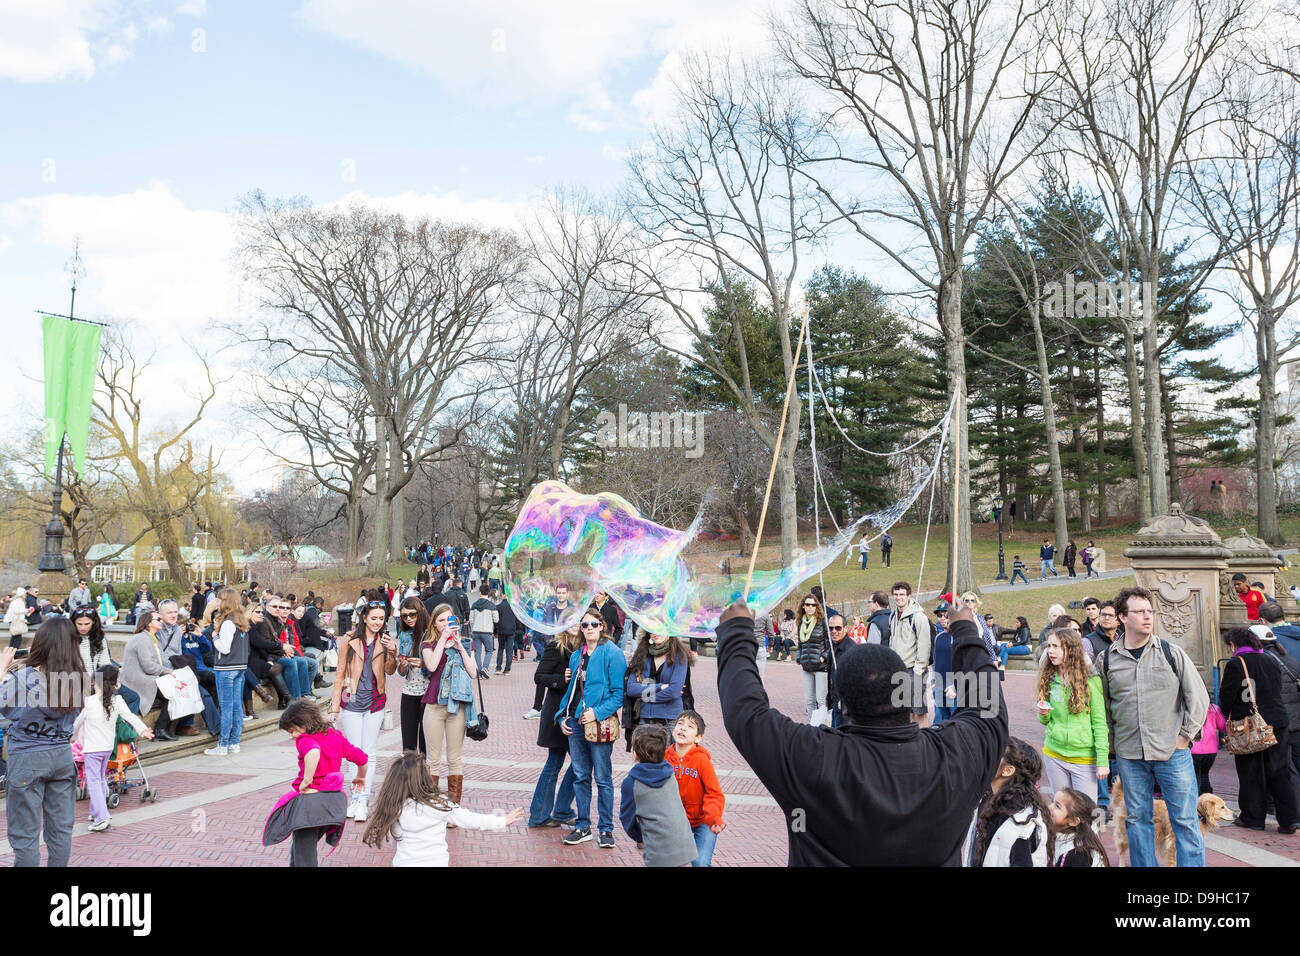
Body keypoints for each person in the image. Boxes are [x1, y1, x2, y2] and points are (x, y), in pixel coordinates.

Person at [715, 599, 1007, 865]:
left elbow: (746, 712)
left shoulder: (813, 756)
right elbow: (987, 708)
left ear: (843, 704)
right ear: (905, 695)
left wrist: (737, 633)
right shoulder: (956, 753)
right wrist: (966, 634)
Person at [1096, 586, 1209, 866]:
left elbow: (1198, 698)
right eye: (1139, 612)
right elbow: (1103, 708)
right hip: (1130, 755)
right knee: (1137, 821)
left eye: (1150, 611)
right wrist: (1112, 746)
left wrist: (1184, 737)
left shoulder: (1171, 653)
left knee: (1184, 820)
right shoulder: (1107, 660)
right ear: (1123, 617)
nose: (1148, 616)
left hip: (1172, 752)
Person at [0, 619, 87, 866]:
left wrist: (2, 671)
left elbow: (4, 706)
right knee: (60, 830)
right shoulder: (79, 679)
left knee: (25, 834)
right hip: (61, 756)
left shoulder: (24, 678)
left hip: (27, 757)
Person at [363, 750, 523, 866]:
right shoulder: (440, 804)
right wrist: (501, 821)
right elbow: (470, 820)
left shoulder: (394, 808)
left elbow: (395, 843)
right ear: (425, 778)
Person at [264, 701, 368, 866]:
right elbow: (362, 759)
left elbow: (313, 752)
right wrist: (361, 777)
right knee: (300, 851)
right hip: (332, 805)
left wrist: (307, 780)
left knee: (304, 857)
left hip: (310, 806)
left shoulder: (305, 739)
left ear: (304, 724)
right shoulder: (335, 736)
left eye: (292, 731)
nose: (291, 736)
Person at [556, 608, 627, 849]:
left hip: (599, 723)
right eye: (584, 625)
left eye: (593, 624)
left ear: (602, 626)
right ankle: (583, 825)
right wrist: (562, 715)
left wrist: (596, 713)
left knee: (603, 778)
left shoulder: (613, 654)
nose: (589, 629)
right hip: (576, 723)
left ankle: (606, 829)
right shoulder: (577, 655)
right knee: (580, 776)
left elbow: (618, 695)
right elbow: (571, 692)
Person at [1218, 626, 1298, 833]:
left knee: (1250, 772)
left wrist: (1227, 717)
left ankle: (1253, 818)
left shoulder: (1236, 663)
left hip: (1248, 724)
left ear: (1233, 644)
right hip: (1278, 721)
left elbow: (1226, 697)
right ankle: (1289, 819)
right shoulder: (1271, 660)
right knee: (1279, 771)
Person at [328, 598, 397, 822]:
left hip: (375, 701)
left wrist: (392, 651)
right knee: (353, 753)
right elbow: (339, 673)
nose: (378, 622)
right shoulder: (349, 639)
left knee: (369, 753)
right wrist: (334, 706)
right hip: (351, 700)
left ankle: (363, 800)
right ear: (364, 617)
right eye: (374, 618)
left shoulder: (384, 641)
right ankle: (356, 798)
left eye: (381, 619)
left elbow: (390, 670)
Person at [74, 665, 153, 831]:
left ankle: (101, 817)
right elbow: (130, 716)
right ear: (115, 684)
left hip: (92, 749)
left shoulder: (89, 702)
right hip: (107, 749)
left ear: (94, 681)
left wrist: (70, 738)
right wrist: (143, 730)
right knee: (100, 779)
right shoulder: (118, 701)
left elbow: (76, 723)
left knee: (94, 781)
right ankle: (95, 811)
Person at [420, 602, 479, 814]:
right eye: (441, 620)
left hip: (458, 708)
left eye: (449, 619)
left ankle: (454, 807)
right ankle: (432, 807)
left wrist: (460, 647)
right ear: (434, 624)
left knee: (454, 758)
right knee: (432, 759)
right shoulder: (428, 644)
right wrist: (443, 641)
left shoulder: (466, 643)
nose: (446, 623)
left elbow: (473, 672)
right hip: (434, 707)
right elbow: (432, 666)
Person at [1036, 627, 1109, 795]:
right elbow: (1045, 721)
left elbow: (1099, 723)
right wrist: (1043, 714)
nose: (1050, 651)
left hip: (1083, 759)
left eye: (1056, 646)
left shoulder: (1091, 680)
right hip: (1054, 754)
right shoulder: (1049, 678)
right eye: (1049, 646)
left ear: (1071, 649)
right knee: (1060, 807)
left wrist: (1102, 761)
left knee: (1085, 809)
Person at [620, 724, 697, 867]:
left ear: (635, 754)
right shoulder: (670, 773)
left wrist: (642, 837)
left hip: (659, 851)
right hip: (685, 844)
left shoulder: (631, 783)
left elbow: (627, 819)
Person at [968, 737, 1052, 866]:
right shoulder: (987, 797)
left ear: (1007, 770)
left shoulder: (1020, 825)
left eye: (996, 754)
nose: (987, 755)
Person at [528, 623, 580, 828]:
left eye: (580, 621)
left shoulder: (585, 648)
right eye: (572, 621)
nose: (577, 625)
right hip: (557, 712)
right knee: (560, 763)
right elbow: (539, 677)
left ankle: (553, 811)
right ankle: (550, 812)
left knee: (576, 763)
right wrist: (561, 679)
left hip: (574, 713)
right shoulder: (555, 646)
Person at [665, 709, 726, 866]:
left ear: (698, 738)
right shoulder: (664, 759)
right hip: (675, 822)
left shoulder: (701, 760)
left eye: (690, 726)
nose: (683, 728)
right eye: (680, 724)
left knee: (700, 862)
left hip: (703, 821)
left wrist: (714, 817)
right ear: (673, 730)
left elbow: (714, 793)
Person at [121, 609, 181, 741]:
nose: (161, 621)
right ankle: (160, 729)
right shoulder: (143, 639)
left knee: (176, 689)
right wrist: (169, 672)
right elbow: (148, 666)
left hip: (144, 677)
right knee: (173, 692)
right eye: (158, 619)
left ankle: (163, 729)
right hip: (139, 681)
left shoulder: (149, 637)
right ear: (148, 623)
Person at [208, 588, 250, 756]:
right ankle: (234, 742)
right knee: (236, 706)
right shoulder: (241, 621)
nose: (217, 602)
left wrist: (214, 636)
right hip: (240, 667)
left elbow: (224, 648)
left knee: (226, 707)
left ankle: (223, 744)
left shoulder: (227, 623)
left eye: (219, 600)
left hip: (226, 668)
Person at [625, 629, 689, 732]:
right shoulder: (641, 655)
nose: (656, 633)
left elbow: (673, 691)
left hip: (669, 718)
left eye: (660, 629)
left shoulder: (680, 655)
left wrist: (646, 697)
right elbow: (631, 689)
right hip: (645, 717)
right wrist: (660, 687)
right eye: (652, 630)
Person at [889, 582, 933, 721]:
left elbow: (924, 644)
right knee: (904, 713)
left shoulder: (918, 617)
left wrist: (919, 670)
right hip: (897, 671)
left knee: (918, 713)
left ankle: (924, 735)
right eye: (896, 594)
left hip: (914, 671)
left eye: (902, 594)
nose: (898, 597)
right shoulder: (893, 615)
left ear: (909, 596)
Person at [395, 598, 430, 756]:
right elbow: (402, 672)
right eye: (404, 616)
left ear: (421, 611)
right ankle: (409, 772)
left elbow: (439, 666)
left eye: (412, 614)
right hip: (408, 692)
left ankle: (423, 772)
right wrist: (402, 666)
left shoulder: (431, 633)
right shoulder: (404, 634)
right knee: (408, 747)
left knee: (425, 744)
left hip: (428, 694)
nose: (408, 619)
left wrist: (424, 664)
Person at [1049, 789, 1110, 866]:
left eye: (1057, 806)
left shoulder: (1077, 854)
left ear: (1073, 821)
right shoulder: (1061, 837)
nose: (1049, 807)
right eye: (1052, 801)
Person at [795, 593, 830, 723]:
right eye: (807, 604)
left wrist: (823, 658)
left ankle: (823, 727)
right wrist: (799, 657)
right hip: (807, 667)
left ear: (817, 607)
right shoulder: (801, 624)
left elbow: (830, 645)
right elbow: (800, 644)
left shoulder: (822, 622)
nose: (810, 607)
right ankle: (812, 726)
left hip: (820, 667)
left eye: (813, 605)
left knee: (820, 700)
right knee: (809, 701)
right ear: (803, 606)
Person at [824, 614, 857, 729]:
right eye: (831, 628)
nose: (834, 631)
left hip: (845, 706)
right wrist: (829, 697)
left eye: (838, 628)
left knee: (840, 735)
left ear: (845, 628)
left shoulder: (851, 649)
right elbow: (832, 676)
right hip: (835, 702)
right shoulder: (833, 646)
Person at [1192, 703, 1227, 794]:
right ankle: (1207, 795)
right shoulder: (1214, 708)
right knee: (1204, 774)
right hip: (1211, 751)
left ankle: (1197, 797)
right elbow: (1223, 726)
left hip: (1193, 750)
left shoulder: (1191, 706)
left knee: (1194, 775)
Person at [469, 584, 498, 677]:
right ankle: (485, 668)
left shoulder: (474, 604)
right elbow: (496, 620)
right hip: (487, 632)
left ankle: (479, 673)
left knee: (477, 652)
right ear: (488, 592)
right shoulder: (492, 605)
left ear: (480, 592)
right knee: (489, 651)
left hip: (476, 631)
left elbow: (471, 619)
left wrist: (473, 628)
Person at [932, 604, 955, 723]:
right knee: (940, 722)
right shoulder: (938, 637)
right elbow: (936, 661)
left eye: (945, 615)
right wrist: (933, 681)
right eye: (939, 615)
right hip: (939, 685)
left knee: (955, 722)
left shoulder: (958, 637)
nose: (942, 618)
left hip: (953, 687)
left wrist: (955, 686)